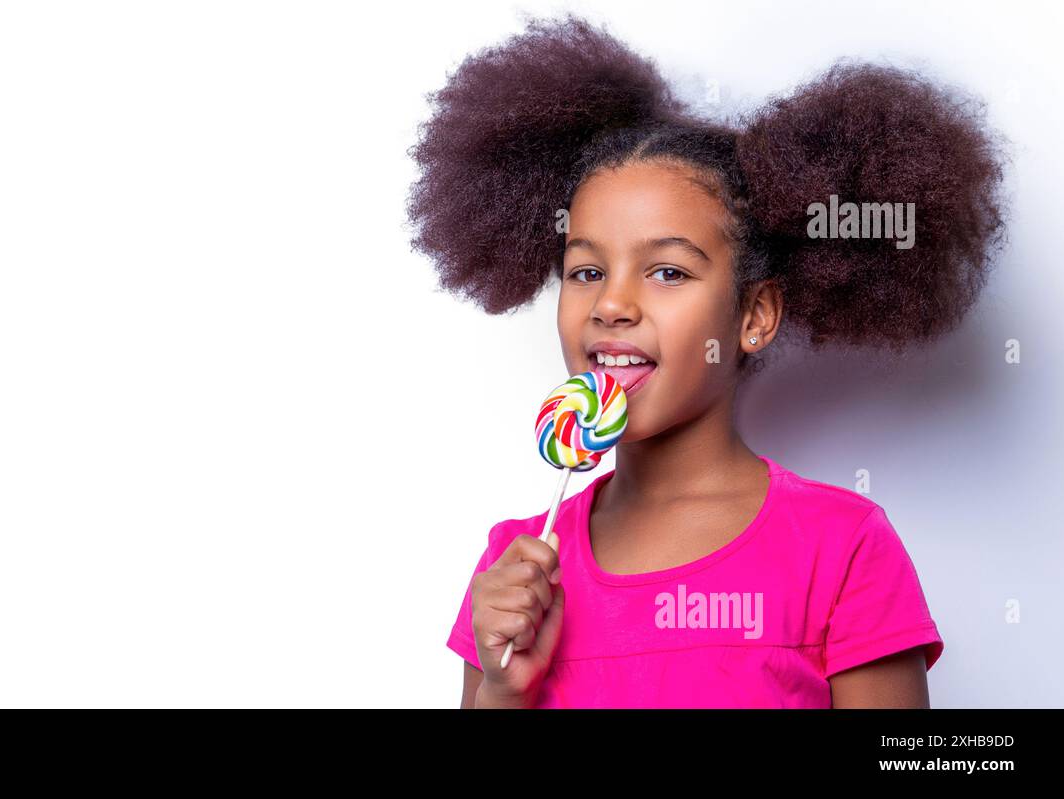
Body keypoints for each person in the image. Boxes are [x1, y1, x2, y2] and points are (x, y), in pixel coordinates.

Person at [405, 13, 1008, 708]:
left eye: (667, 272)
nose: (612, 305)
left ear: (753, 316)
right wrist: (505, 690)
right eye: (585, 271)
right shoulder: (516, 565)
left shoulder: (841, 550)